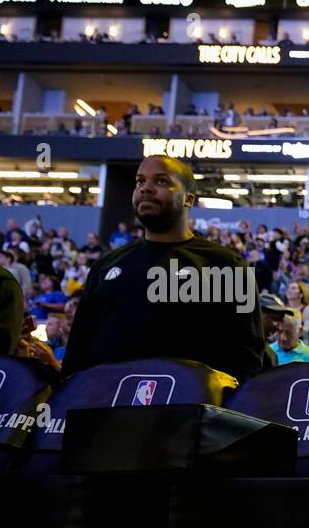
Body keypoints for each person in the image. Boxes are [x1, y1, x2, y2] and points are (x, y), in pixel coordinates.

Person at [61, 156, 264, 381]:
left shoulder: (226, 266)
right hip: (105, 408)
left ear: (188, 199)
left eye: (161, 181)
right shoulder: (106, 265)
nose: (146, 188)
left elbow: (248, 357)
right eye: (140, 181)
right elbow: (78, 351)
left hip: (187, 411)